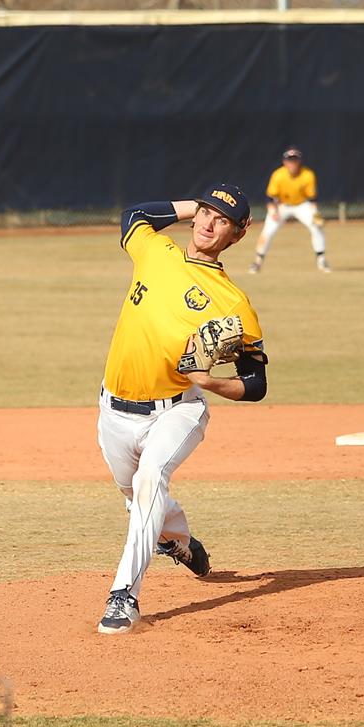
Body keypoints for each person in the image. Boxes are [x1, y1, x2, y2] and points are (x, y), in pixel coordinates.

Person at [94, 184, 268, 634]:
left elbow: (256, 383)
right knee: (139, 500)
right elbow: (134, 213)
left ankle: (123, 596)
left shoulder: (232, 302)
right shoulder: (157, 251)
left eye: (222, 220)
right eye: (206, 214)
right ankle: (181, 542)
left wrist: (211, 382)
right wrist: (196, 205)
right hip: (113, 407)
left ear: (238, 232)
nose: (209, 224)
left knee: (151, 480)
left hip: (177, 411)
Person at [248, 147, 330, 274]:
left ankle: (322, 260)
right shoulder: (278, 175)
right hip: (282, 206)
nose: (292, 163)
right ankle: (257, 262)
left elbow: (312, 198)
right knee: (268, 231)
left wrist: (315, 213)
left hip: (302, 205)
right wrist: (273, 212)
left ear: (299, 161)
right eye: (290, 160)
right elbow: (270, 198)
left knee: (317, 226)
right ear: (284, 162)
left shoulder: (307, 174)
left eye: (295, 160)